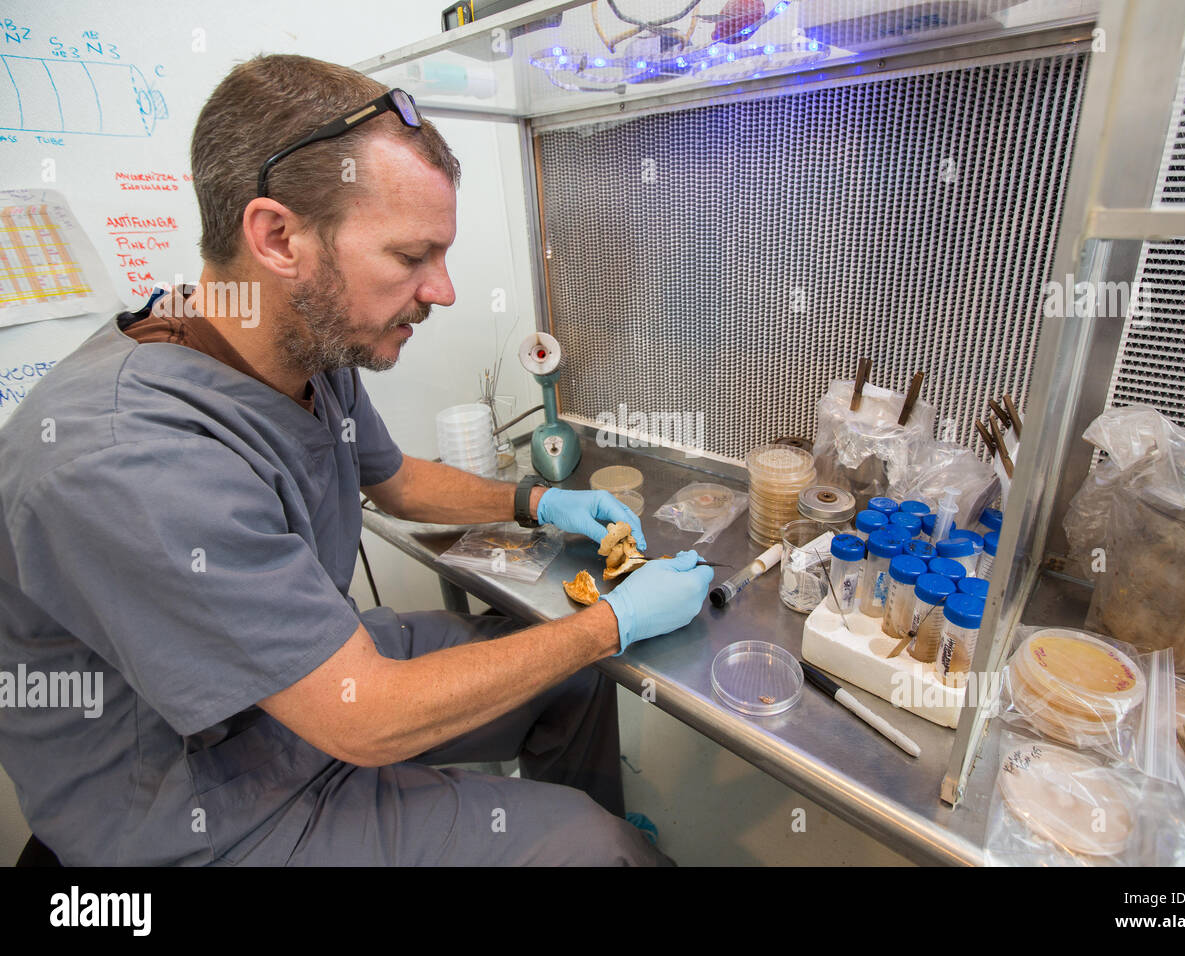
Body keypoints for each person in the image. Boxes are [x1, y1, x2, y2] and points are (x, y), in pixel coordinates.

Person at [0, 53, 713, 866]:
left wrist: (536, 503)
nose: (442, 290)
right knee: (599, 847)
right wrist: (614, 621)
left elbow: (397, 479)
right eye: (410, 257)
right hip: (207, 802)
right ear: (277, 238)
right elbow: (366, 718)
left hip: (312, 684)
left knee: (576, 677)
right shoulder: (127, 460)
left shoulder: (302, 348)